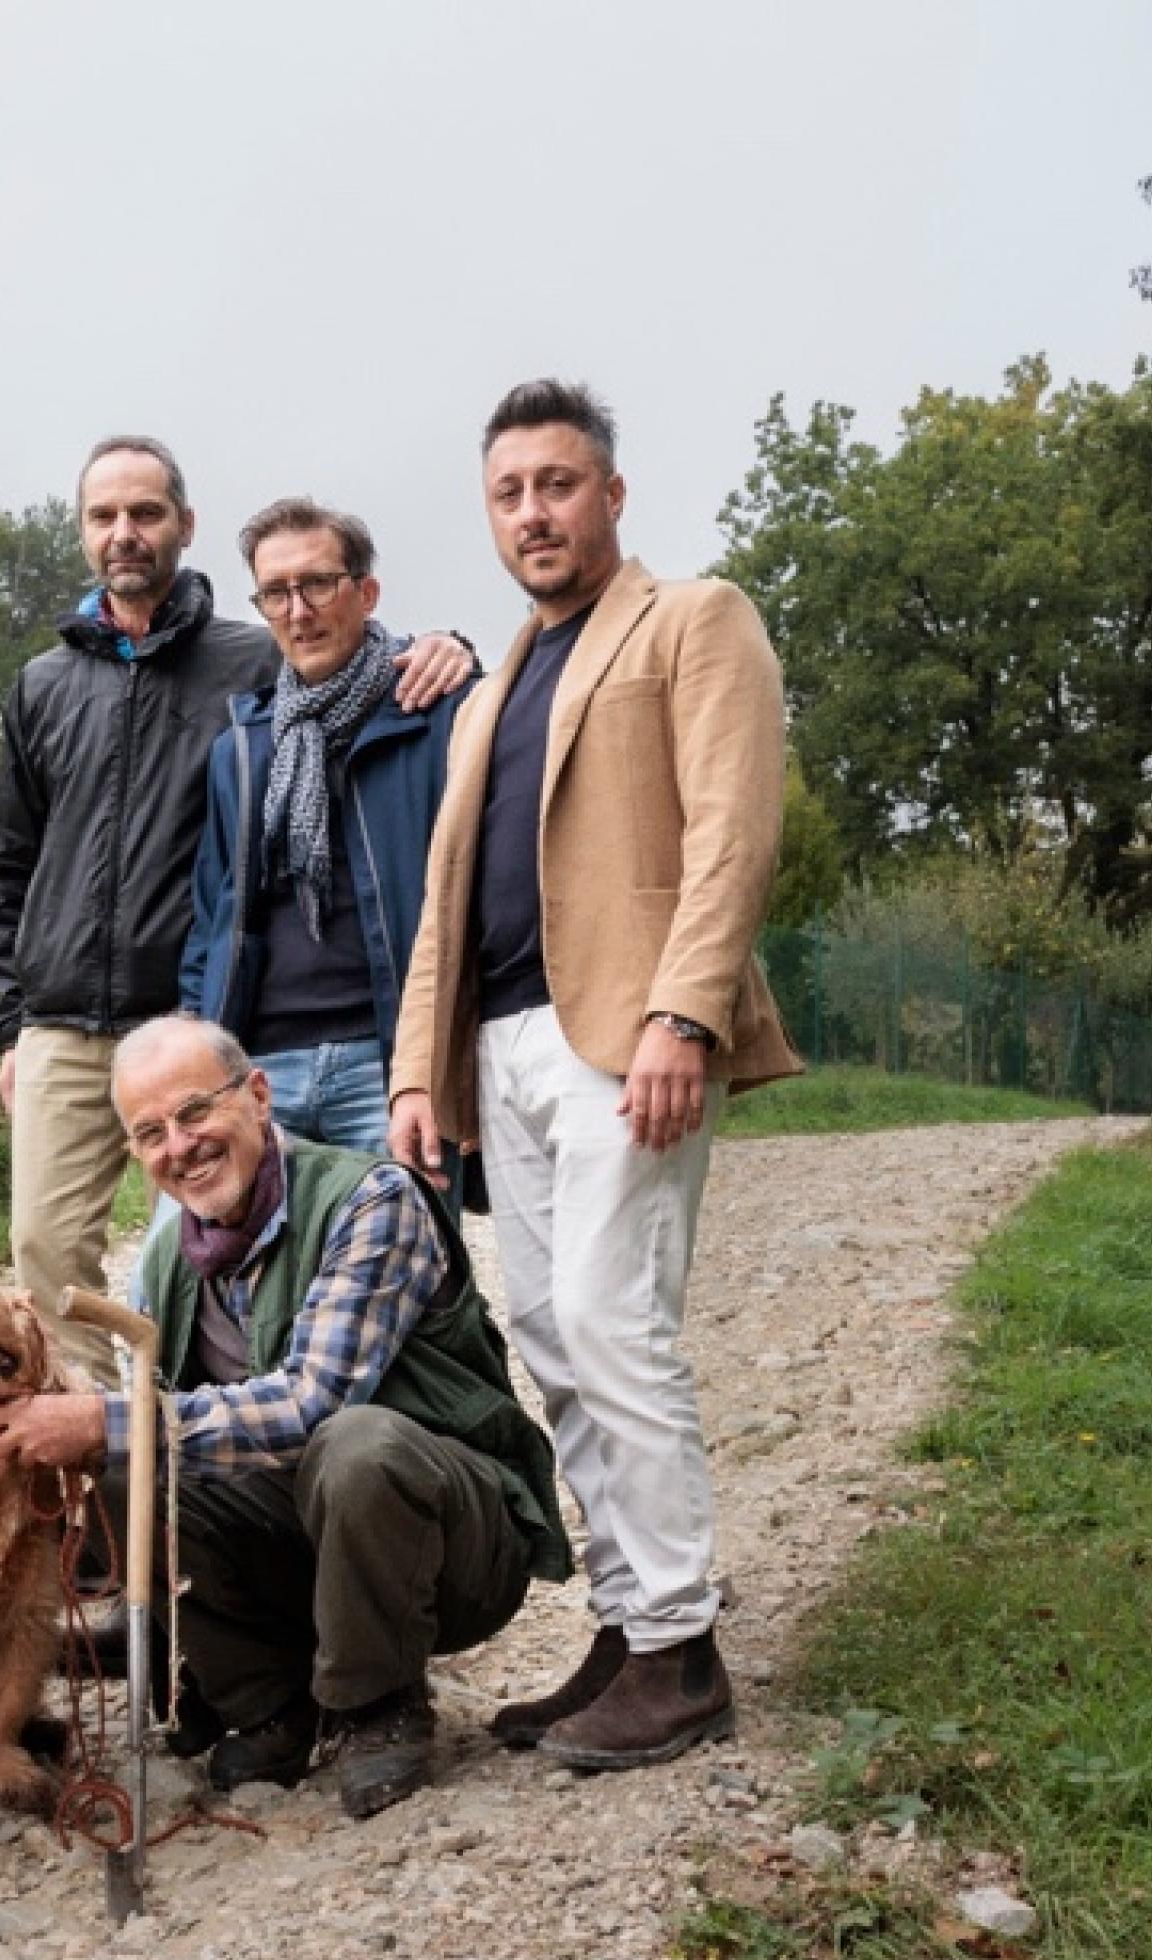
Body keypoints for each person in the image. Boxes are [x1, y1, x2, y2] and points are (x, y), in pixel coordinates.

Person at [388, 380, 803, 1774]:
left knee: (614, 1319)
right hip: (501, 1043)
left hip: (625, 1032)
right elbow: (445, 897)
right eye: (509, 493)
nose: (532, 513)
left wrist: (686, 1012)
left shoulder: (694, 619)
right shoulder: (495, 681)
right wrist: (415, 1071)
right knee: (555, 1338)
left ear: (610, 495)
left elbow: (735, 828)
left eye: (557, 485)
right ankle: (629, 1629)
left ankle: (684, 1650)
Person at [0, 1016, 572, 1820]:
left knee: (353, 1443)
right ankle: (271, 1701)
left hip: (452, 1544)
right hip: (304, 1540)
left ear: (258, 1096)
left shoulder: (371, 1199)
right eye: (151, 1133)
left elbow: (311, 1405)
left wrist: (106, 1420)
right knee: (130, 1467)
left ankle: (380, 1701)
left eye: (195, 1112)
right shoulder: (166, 1264)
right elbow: (157, 1449)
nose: (180, 1147)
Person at [0, 437, 473, 1387]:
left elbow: (352, 653)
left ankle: (285, 1451)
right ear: (83, 532)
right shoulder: (43, 684)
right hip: (61, 1023)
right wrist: (10, 1017)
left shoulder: (249, 662)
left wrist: (448, 645)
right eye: (104, 517)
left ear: (184, 526)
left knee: (216, 1254)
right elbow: (7, 863)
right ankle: (103, 1472)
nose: (125, 534)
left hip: (192, 1027)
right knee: (47, 1255)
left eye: (146, 514)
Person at [183, 498, 469, 1156]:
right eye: (276, 593)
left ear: (365, 592)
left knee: (403, 1258)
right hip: (259, 1070)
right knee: (206, 1260)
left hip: (390, 1065)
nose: (298, 611)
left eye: (316, 584)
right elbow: (209, 923)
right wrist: (202, 1058)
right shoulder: (244, 747)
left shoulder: (430, 713)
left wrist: (457, 647)